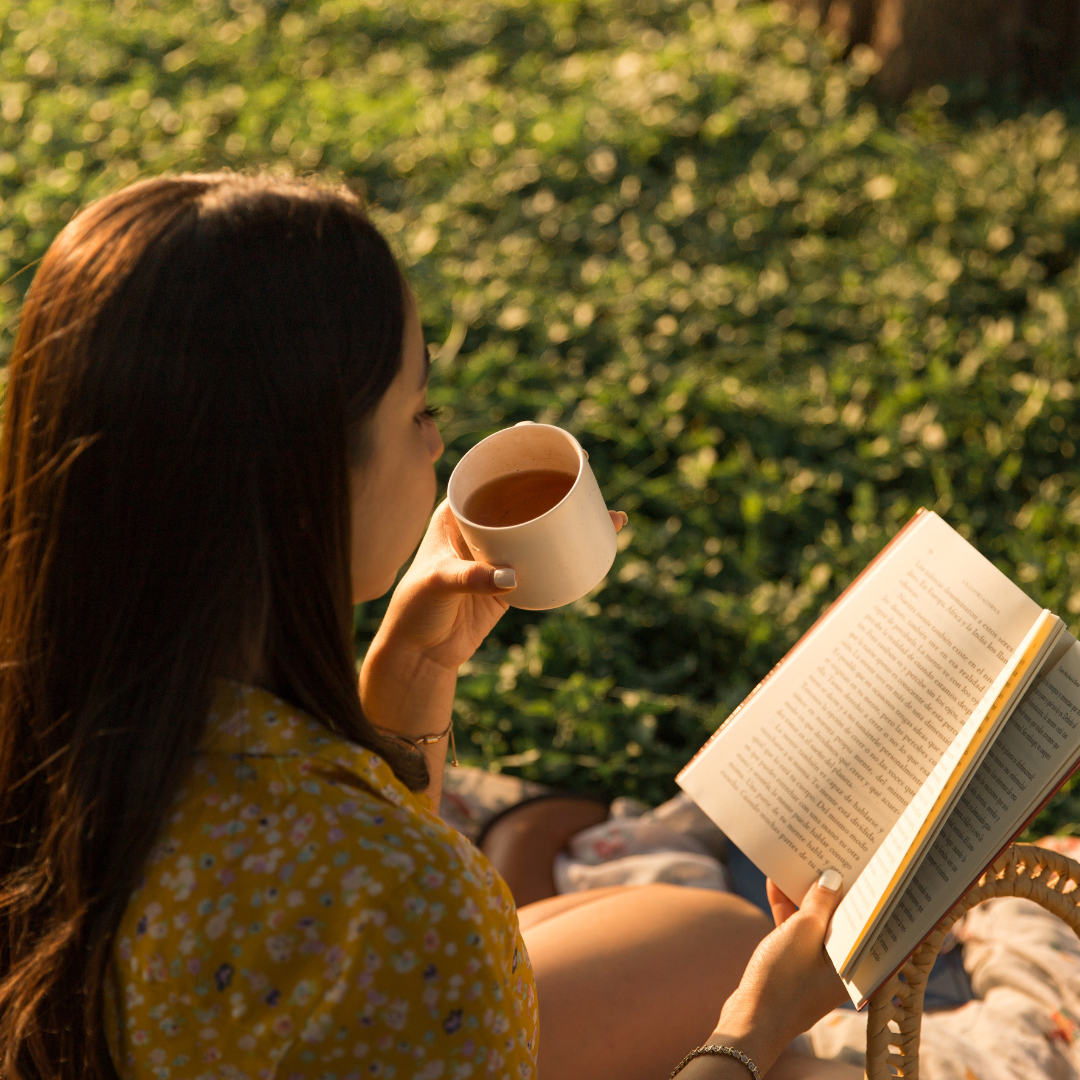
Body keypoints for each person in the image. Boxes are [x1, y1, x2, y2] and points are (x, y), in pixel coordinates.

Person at [0, 172, 861, 1080]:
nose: (436, 444)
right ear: (310, 484)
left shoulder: (65, 729)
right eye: (417, 410)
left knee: (710, 936)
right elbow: (358, 897)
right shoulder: (403, 903)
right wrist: (753, 1037)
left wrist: (413, 671)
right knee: (765, 1017)